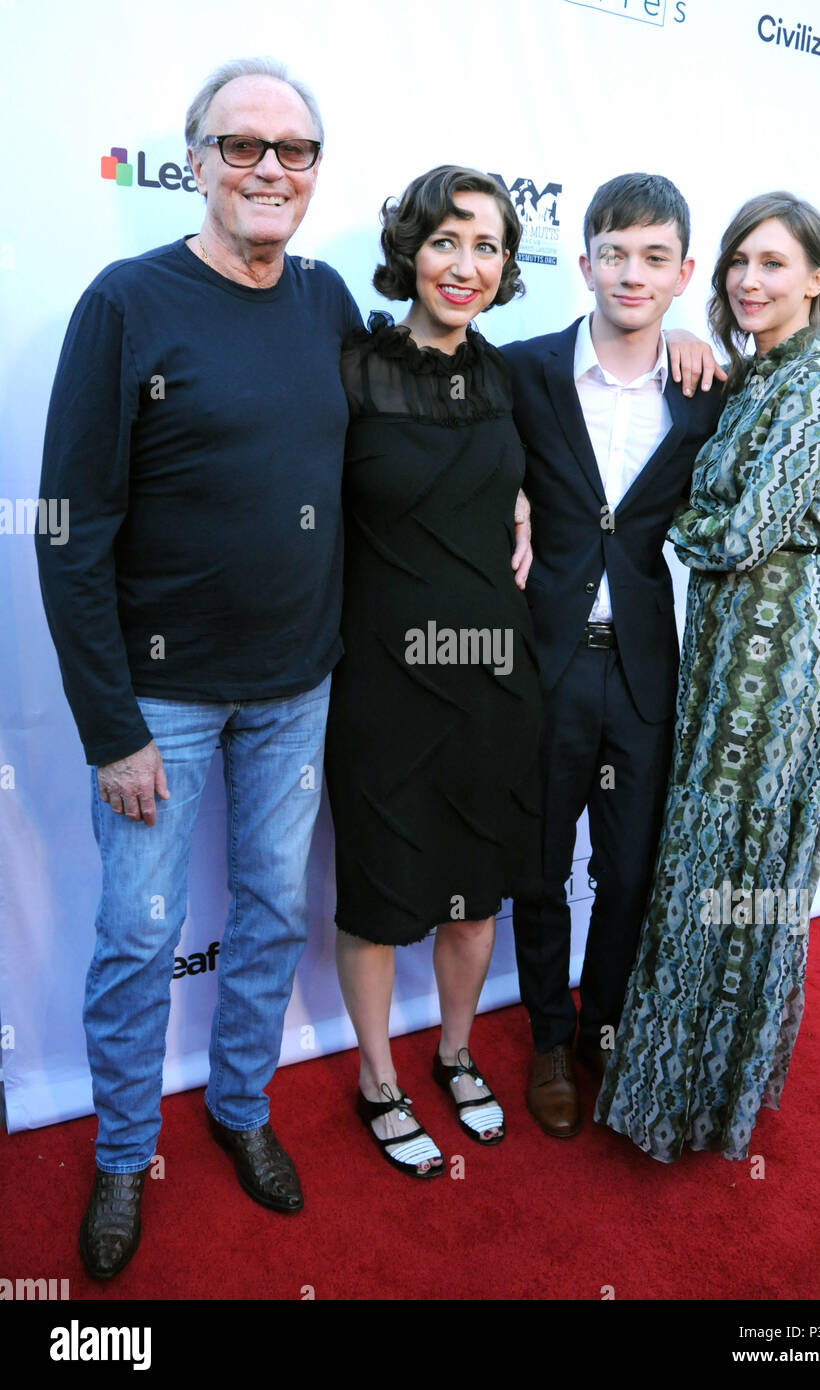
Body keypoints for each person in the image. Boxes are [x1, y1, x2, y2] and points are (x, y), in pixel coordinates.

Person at [35, 57, 363, 1279]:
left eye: (293, 151)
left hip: (299, 689)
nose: (270, 169)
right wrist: (108, 726)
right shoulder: (126, 303)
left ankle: (238, 1107)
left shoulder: (328, 301)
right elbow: (69, 532)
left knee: (275, 913)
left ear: (315, 173)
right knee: (138, 931)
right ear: (195, 158)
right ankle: (126, 1150)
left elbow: (445, 374)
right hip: (155, 707)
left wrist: (662, 338)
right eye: (243, 146)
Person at [595, 191, 820, 1162]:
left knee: (738, 871)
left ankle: (708, 1099)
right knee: (703, 858)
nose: (748, 281)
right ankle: (675, 1087)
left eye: (773, 265)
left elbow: (742, 531)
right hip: (716, 652)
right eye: (738, 263)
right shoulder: (745, 379)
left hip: (781, 659)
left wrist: (648, 522)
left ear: (814, 281)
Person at [324, 166, 542, 1176]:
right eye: (447, 241)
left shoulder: (514, 378)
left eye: (488, 246)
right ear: (411, 249)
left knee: (474, 893)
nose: (466, 265)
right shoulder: (350, 367)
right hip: (378, 682)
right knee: (377, 893)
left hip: (493, 679)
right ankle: (377, 1077)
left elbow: (615, 376)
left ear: (506, 267)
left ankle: (454, 1052)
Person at [502, 173, 724, 1137]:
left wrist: (700, 346)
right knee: (540, 866)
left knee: (628, 868)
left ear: (683, 272)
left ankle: (604, 1021)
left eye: (653, 257)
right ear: (584, 259)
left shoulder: (706, 388)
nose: (631, 273)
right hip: (542, 660)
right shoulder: (521, 371)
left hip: (641, 667)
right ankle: (549, 1035)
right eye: (613, 252)